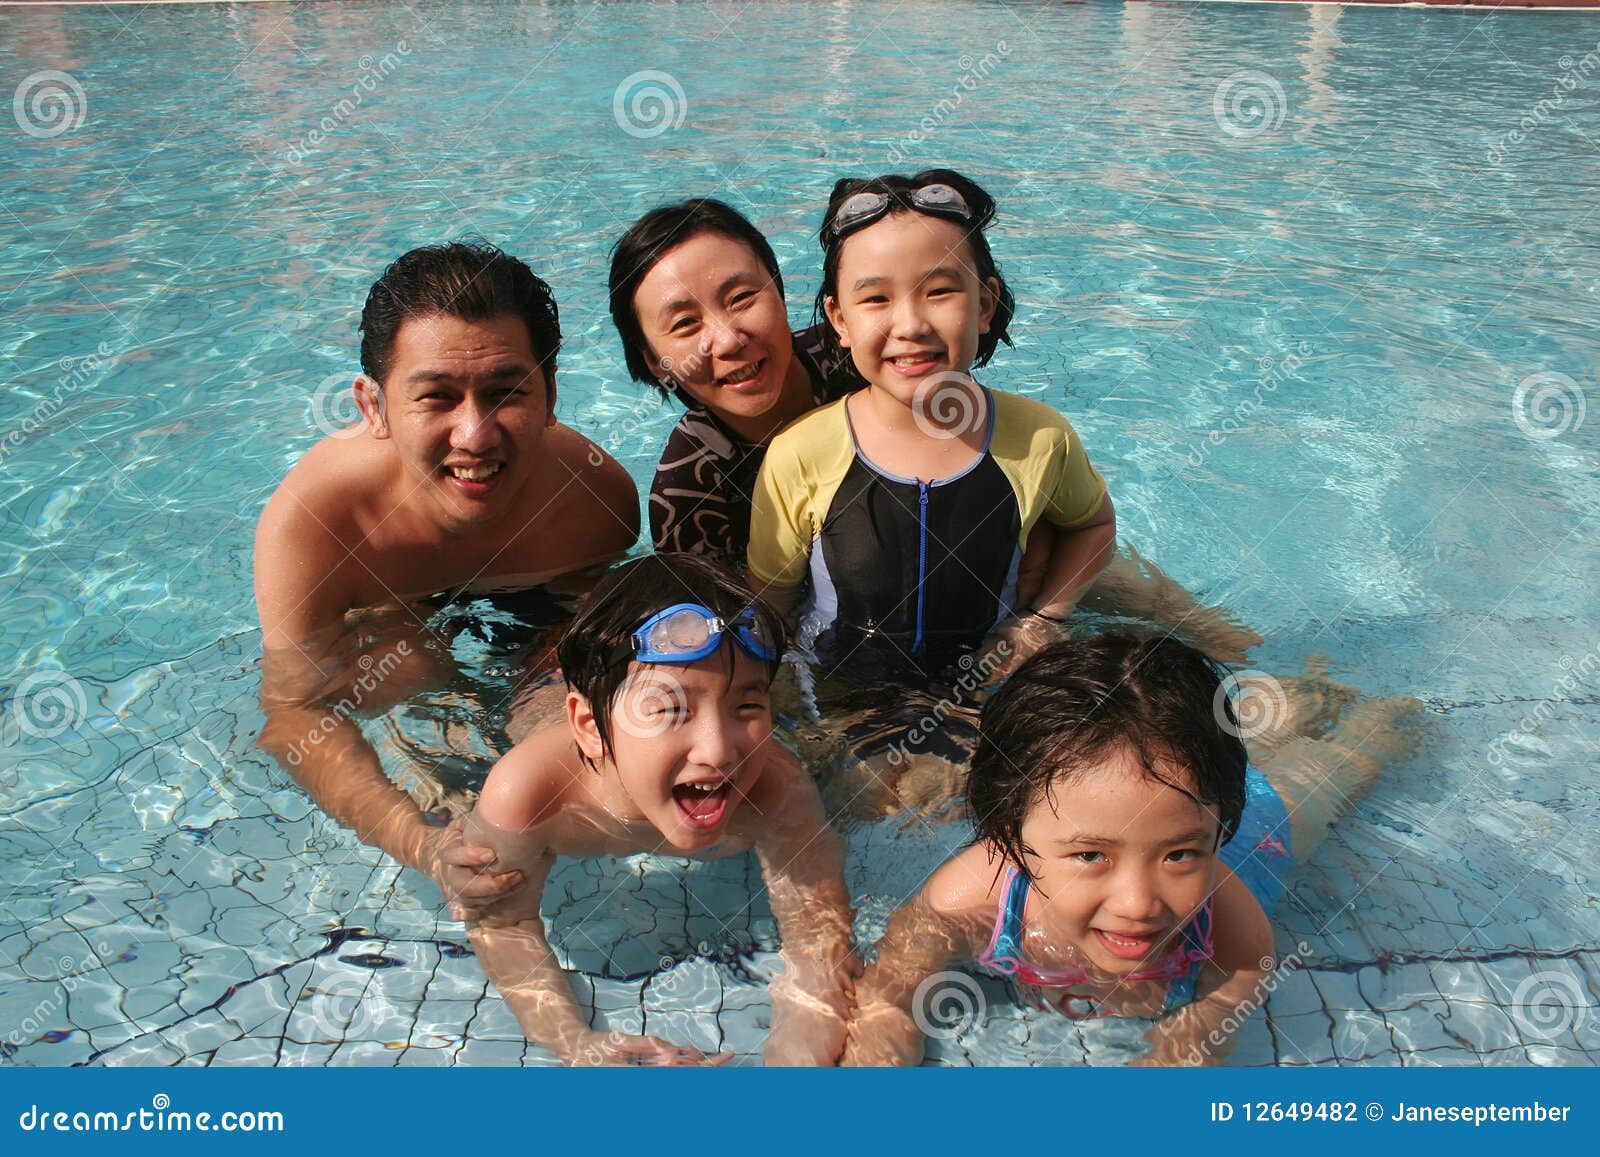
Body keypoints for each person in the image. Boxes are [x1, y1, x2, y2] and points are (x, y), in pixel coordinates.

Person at [610, 195, 1259, 664]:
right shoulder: (687, 487)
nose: (727, 337)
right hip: (853, 615)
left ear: (785, 295)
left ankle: (1247, 658)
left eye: (740, 297)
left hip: (981, 563)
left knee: (1088, 564)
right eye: (685, 324)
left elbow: (1020, 458)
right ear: (652, 361)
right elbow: (755, 621)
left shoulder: (861, 348)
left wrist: (1039, 598)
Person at [254, 241, 639, 916]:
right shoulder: (316, 524)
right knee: (404, 663)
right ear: (372, 406)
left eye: (505, 392)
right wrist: (421, 843)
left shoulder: (592, 499)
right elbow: (296, 715)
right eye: (437, 396)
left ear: (550, 395)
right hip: (388, 619)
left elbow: (580, 630)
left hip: (532, 607)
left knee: (565, 722)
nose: (476, 433)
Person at [845, 633, 1419, 1066]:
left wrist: (1187, 1039)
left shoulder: (1233, 924)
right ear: (1008, 839)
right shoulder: (962, 901)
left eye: (1179, 856)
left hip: (1257, 839)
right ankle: (1286, 707)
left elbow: (1224, 1002)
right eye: (1091, 856)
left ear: (1217, 830)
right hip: (1186, 803)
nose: (1139, 903)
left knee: (1328, 776)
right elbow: (888, 1001)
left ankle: (1374, 716)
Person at [463, 553, 858, 1066]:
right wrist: (575, 1043)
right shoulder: (530, 792)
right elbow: (503, 925)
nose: (718, 751)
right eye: (670, 709)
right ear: (587, 726)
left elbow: (820, 942)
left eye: (747, 707)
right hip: (535, 686)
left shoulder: (777, 789)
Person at [748, 169, 1115, 680]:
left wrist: (1043, 618)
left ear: (985, 305)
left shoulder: (1039, 438)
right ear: (840, 320)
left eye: (940, 291)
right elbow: (774, 601)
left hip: (991, 687)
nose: (911, 324)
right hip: (843, 695)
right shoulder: (800, 454)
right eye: (875, 299)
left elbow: (1093, 527)